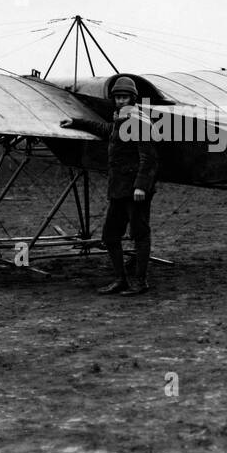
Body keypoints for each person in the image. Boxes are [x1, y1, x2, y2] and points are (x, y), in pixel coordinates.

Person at [60, 76, 158, 295]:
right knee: (110, 236)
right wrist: (77, 122)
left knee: (140, 234)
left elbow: (149, 158)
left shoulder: (138, 121)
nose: (120, 101)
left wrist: (141, 186)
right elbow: (104, 129)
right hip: (119, 190)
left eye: (124, 97)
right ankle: (121, 279)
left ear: (132, 99)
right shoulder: (121, 121)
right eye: (117, 97)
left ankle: (140, 282)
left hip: (135, 191)